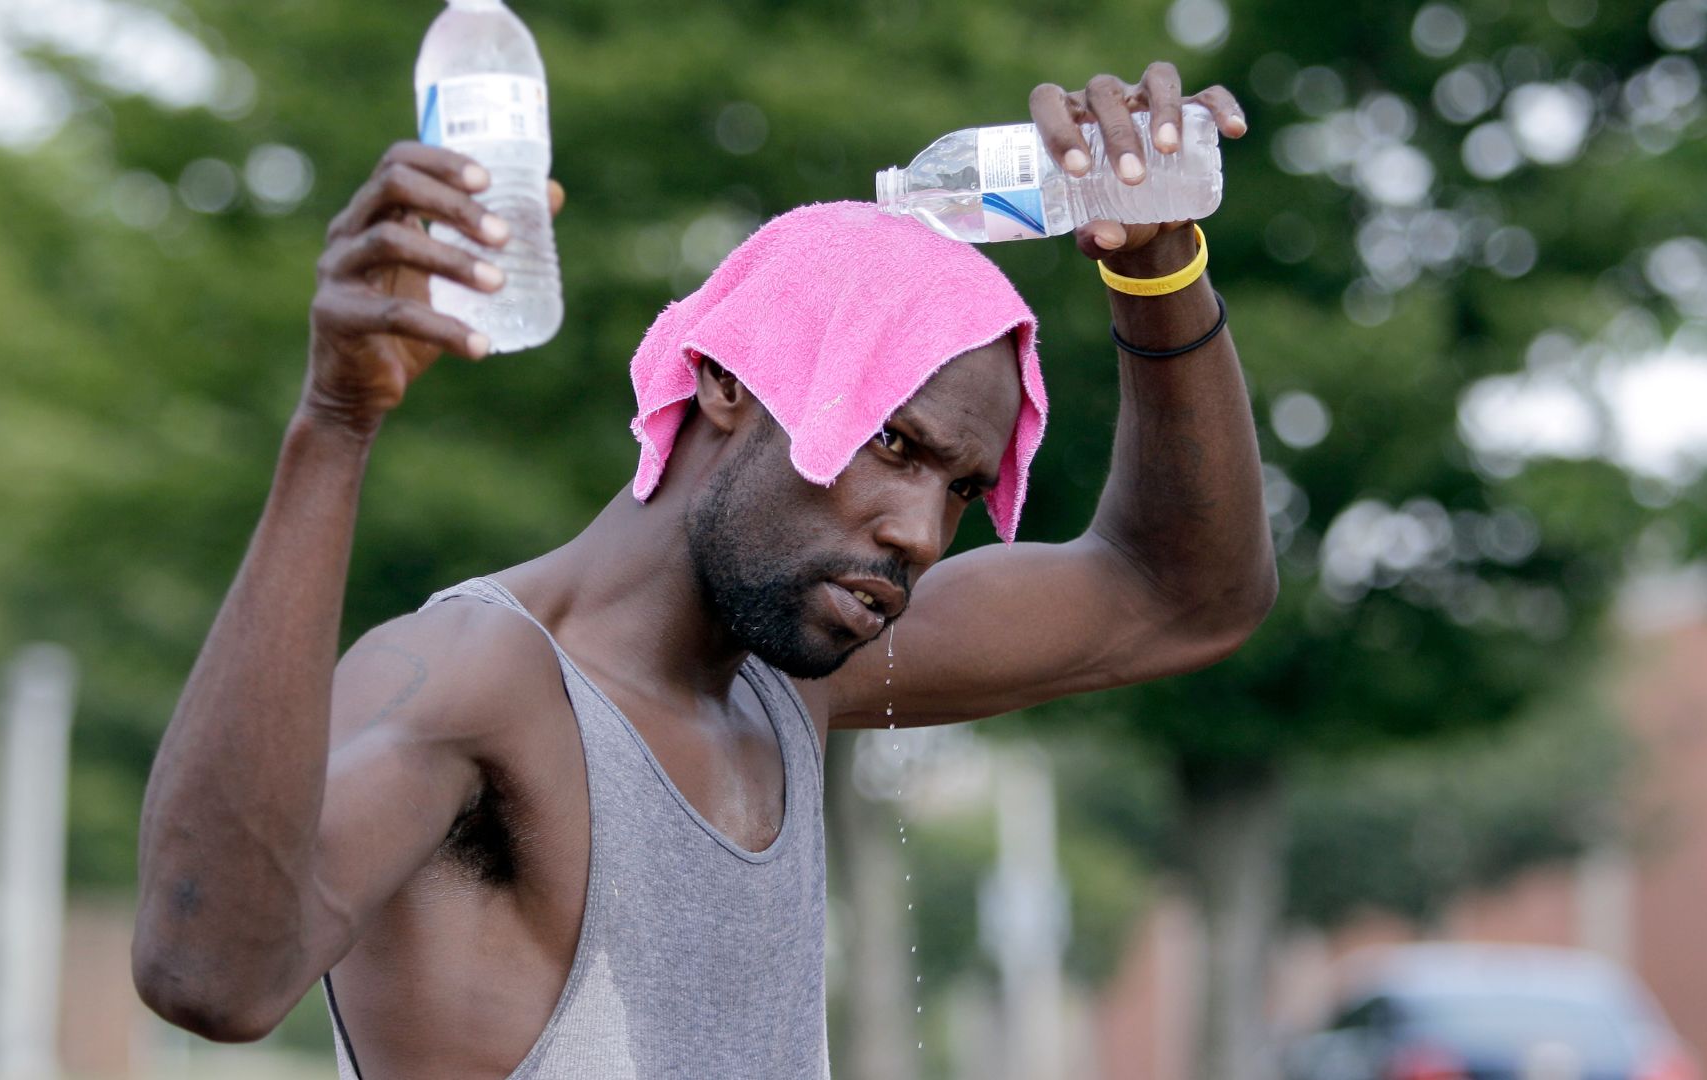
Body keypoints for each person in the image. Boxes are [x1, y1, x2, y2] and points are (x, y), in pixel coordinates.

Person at [132, 61, 1275, 1079]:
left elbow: (1185, 598)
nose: (921, 533)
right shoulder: (482, 681)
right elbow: (210, 976)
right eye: (893, 444)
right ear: (727, 382)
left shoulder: (793, 671)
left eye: (961, 489)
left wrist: (1160, 270)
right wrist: (333, 424)